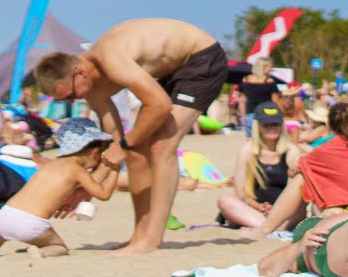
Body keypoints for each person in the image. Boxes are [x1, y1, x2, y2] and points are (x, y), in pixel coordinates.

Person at [31, 17, 230, 254]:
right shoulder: (92, 89)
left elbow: (160, 105)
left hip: (202, 57)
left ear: (80, 73)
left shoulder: (111, 59)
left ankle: (152, 239)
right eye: (66, 100)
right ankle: (140, 235)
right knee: (136, 153)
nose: (73, 101)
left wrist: (124, 146)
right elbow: (113, 144)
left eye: (71, 95)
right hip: (172, 69)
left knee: (161, 145)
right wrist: (90, 186)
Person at [257, 101, 348, 234]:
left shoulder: (331, 148)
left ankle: (266, 228)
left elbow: (296, 167)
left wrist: (298, 167)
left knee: (302, 179)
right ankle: (278, 226)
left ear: (330, 126)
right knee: (312, 181)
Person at [0, 118, 120, 256]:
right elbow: (103, 194)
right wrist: (115, 169)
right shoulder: (77, 170)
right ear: (94, 152)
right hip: (31, 224)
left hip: (5, 216)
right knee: (59, 246)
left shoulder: (50, 164)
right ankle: (41, 252)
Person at [214, 103, 301, 229]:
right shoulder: (247, 151)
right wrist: (257, 206)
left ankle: (266, 226)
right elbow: (240, 192)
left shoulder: (291, 151)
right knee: (224, 200)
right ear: (257, 126)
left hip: (283, 209)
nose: (271, 128)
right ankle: (269, 227)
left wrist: (276, 209)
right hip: (253, 208)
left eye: (275, 124)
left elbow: (292, 190)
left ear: (281, 126)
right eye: (266, 125)